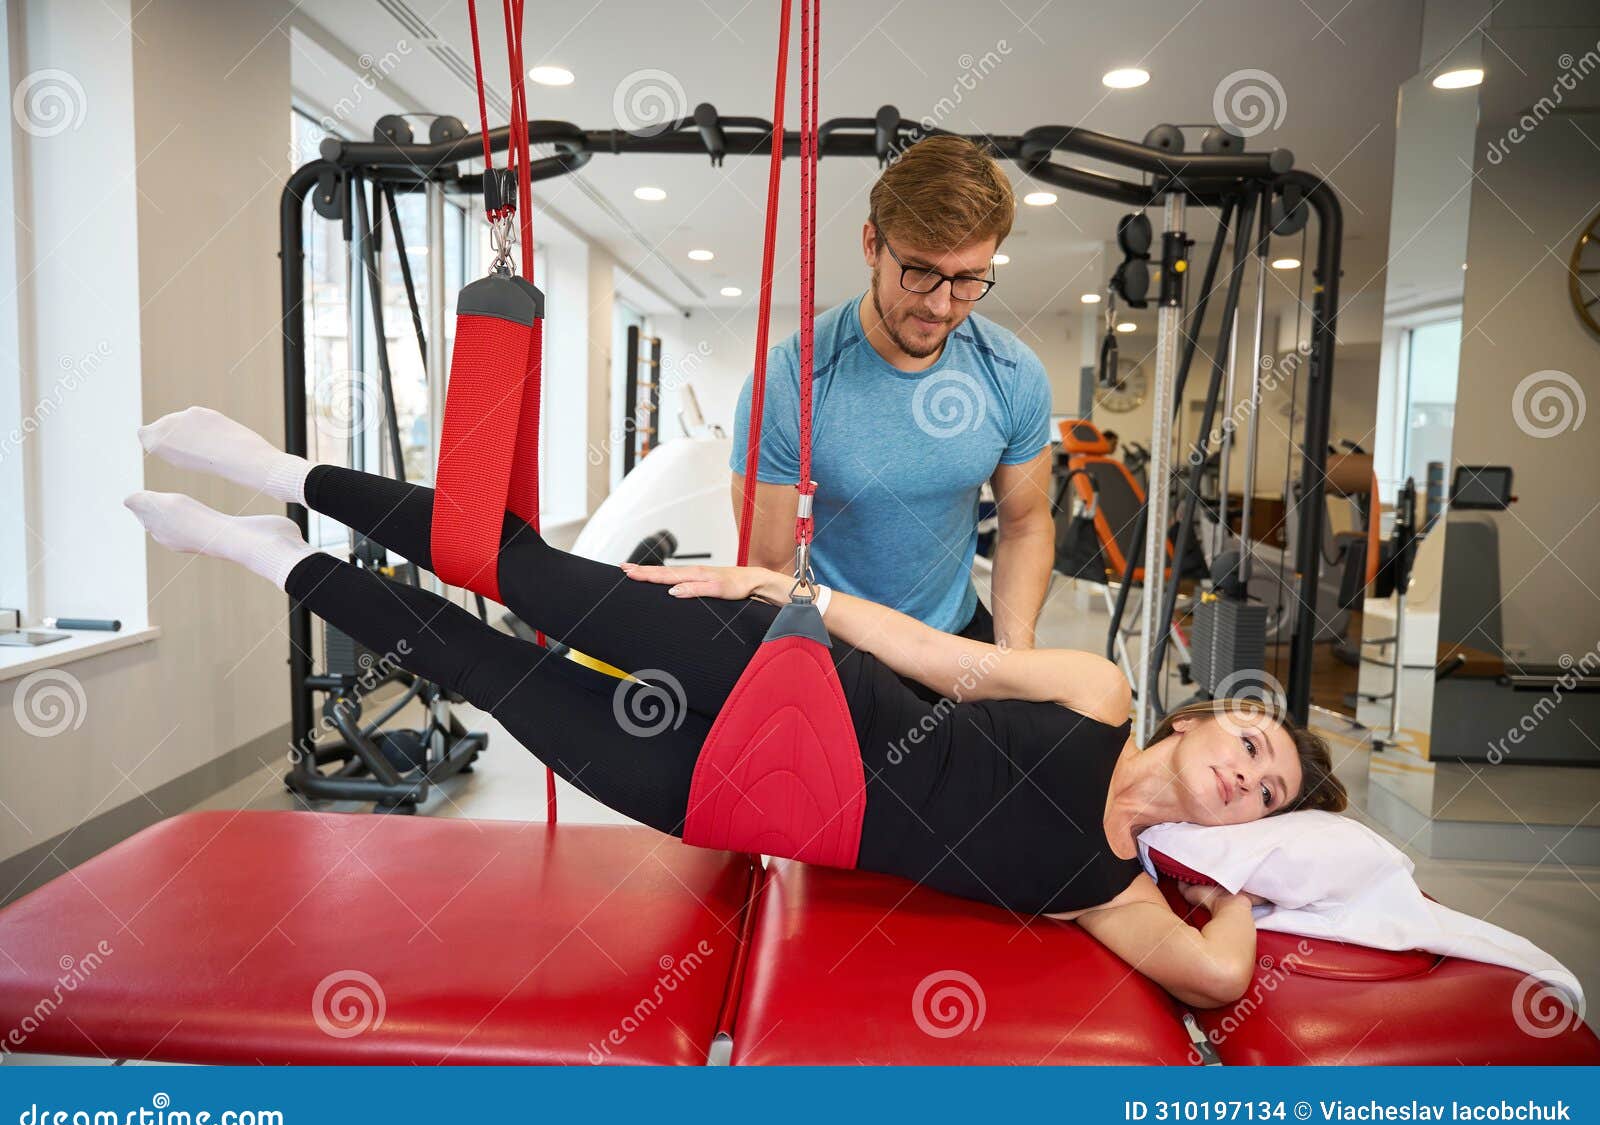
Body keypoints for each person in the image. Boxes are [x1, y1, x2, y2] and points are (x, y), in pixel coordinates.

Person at [128, 407, 1345, 1009]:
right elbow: (926, 650)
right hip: (778, 672)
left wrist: (1240, 879)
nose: (1248, 773)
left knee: (482, 673)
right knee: (519, 572)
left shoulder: (1114, 893)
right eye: (1251, 740)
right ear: (1192, 720)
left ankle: (256, 554)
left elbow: (1213, 980)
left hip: (726, 793)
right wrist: (783, 586)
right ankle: (281, 474)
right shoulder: (1097, 692)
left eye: (1268, 790)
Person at [731, 135, 1055, 651]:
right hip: (832, 643)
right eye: (920, 272)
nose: (941, 306)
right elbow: (767, 565)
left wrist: (1012, 660)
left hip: (955, 639)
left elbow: (1026, 526)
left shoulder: (1014, 375)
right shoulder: (789, 384)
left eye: (969, 279)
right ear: (871, 245)